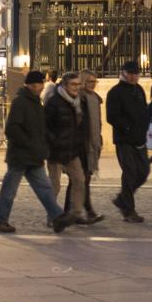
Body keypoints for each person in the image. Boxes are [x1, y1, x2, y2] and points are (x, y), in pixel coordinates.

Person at [0, 70, 71, 235]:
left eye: (41, 84)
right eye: (36, 84)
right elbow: (12, 128)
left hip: (33, 155)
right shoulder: (21, 102)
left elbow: (39, 127)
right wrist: (29, 143)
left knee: (44, 188)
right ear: (28, 85)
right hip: (21, 155)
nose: (40, 87)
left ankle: (57, 217)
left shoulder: (36, 102)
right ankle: (1, 220)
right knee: (10, 189)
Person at [44, 72, 94, 224]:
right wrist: (54, 142)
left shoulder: (78, 102)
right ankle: (52, 216)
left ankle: (77, 212)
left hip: (73, 151)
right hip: (56, 151)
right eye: (73, 84)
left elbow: (81, 127)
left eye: (78, 84)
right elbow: (44, 127)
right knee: (55, 185)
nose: (76, 88)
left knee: (80, 180)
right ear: (65, 86)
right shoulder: (54, 103)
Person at [106, 61, 151, 223]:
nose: (133, 77)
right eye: (130, 73)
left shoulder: (138, 90)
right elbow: (112, 116)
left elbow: (143, 112)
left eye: (136, 73)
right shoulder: (115, 92)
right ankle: (128, 210)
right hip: (124, 140)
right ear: (123, 73)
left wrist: (145, 128)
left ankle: (122, 199)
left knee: (144, 171)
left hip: (139, 139)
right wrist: (126, 128)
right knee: (130, 172)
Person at [81, 72, 107, 222]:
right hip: (83, 144)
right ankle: (85, 210)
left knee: (83, 180)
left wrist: (99, 140)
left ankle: (77, 211)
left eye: (94, 81)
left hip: (93, 143)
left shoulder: (94, 99)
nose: (92, 83)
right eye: (89, 81)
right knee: (80, 180)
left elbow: (98, 122)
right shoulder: (81, 98)